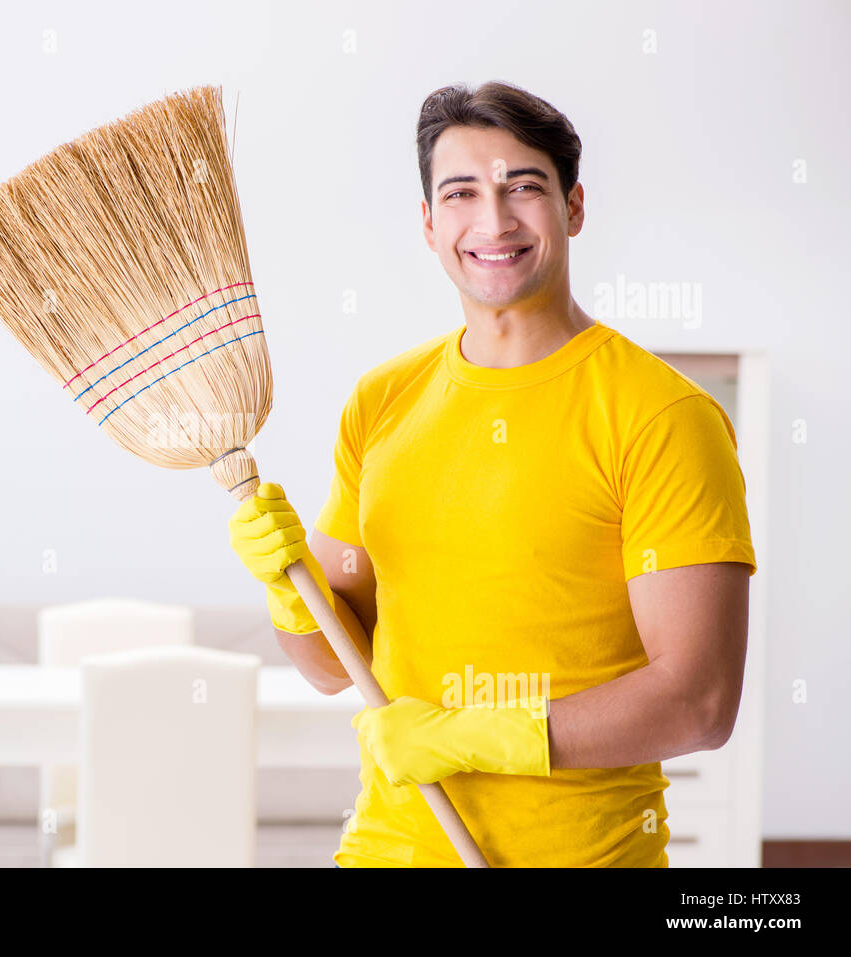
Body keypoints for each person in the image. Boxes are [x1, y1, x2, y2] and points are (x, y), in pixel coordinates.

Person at [228, 81, 755, 867]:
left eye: (524, 188)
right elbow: (331, 668)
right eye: (463, 193)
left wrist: (480, 735)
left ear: (574, 208)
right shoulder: (382, 401)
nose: (495, 221)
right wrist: (287, 581)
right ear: (430, 224)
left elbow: (700, 701)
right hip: (387, 850)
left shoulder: (660, 415)